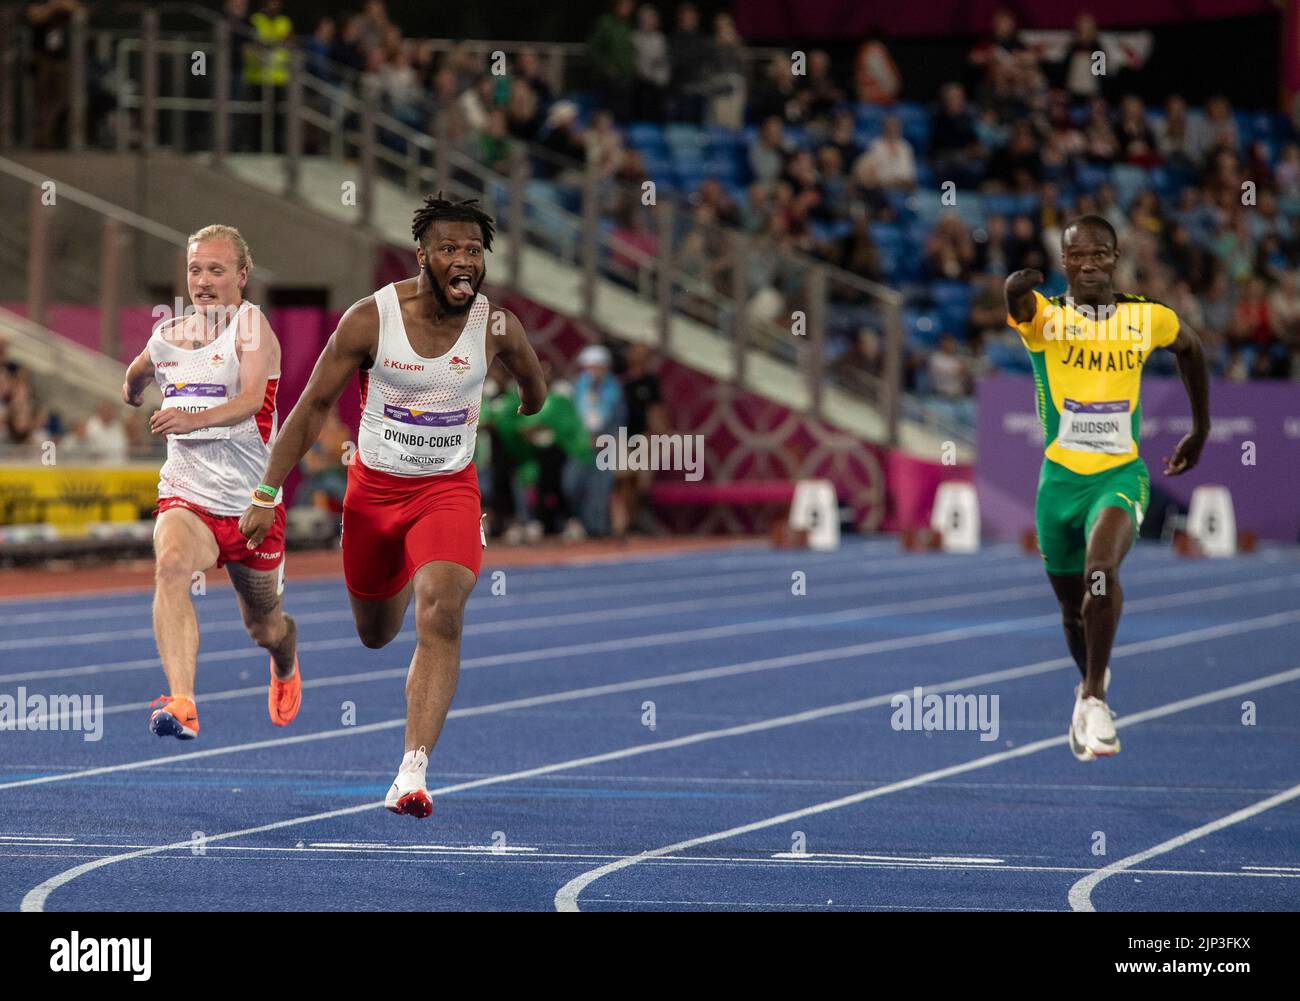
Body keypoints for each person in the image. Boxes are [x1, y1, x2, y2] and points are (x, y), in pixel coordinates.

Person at [239, 196, 546, 819]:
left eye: (473, 251)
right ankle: (407, 569)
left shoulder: (496, 326)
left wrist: (526, 401)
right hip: (375, 495)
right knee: (377, 634)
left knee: (442, 611)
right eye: (449, 249)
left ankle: (411, 773)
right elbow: (311, 409)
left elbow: (535, 387)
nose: (463, 261)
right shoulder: (370, 319)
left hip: (448, 492)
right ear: (423, 256)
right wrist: (265, 493)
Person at [1004, 215, 1210, 761]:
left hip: (1120, 475)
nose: (1089, 263)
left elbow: (1190, 349)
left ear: (1115, 258)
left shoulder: (1146, 318)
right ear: (1064, 262)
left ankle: (1096, 696)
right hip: (1059, 484)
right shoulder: (1047, 319)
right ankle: (1086, 689)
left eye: (1100, 254)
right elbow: (1020, 307)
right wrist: (1013, 288)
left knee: (1102, 571)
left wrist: (1201, 428)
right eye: (1078, 256)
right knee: (1073, 611)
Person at [121, 224, 301, 741]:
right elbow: (135, 374)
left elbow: (249, 401)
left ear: (241, 277)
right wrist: (134, 391)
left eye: (216, 270)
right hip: (187, 497)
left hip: (252, 507)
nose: (203, 280)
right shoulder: (167, 338)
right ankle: (183, 702)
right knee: (171, 563)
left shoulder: (251, 326)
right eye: (195, 269)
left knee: (264, 628)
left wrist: (187, 418)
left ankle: (285, 661)